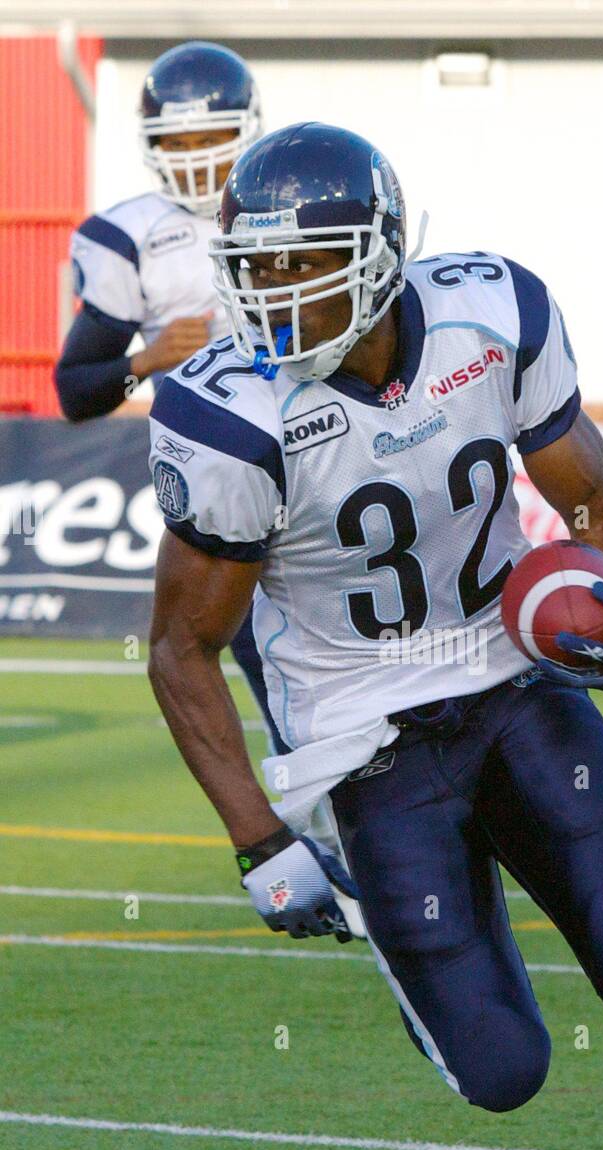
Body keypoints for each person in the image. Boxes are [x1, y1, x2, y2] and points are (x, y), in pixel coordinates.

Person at [146, 121, 603, 1150]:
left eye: (306, 262)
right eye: (257, 269)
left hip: (510, 681)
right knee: (502, 1073)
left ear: (385, 251)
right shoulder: (230, 411)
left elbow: (590, 501)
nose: (275, 295)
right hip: (362, 742)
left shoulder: (492, 315)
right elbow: (183, 646)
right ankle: (394, 918)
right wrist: (260, 840)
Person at [52, 41, 290, 769]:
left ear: (245, 130)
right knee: (280, 688)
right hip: (228, 488)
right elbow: (76, 394)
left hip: (329, 459)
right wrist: (146, 359)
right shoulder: (127, 236)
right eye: (177, 141)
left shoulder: (290, 199)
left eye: (211, 138)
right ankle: (325, 851)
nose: (195, 156)